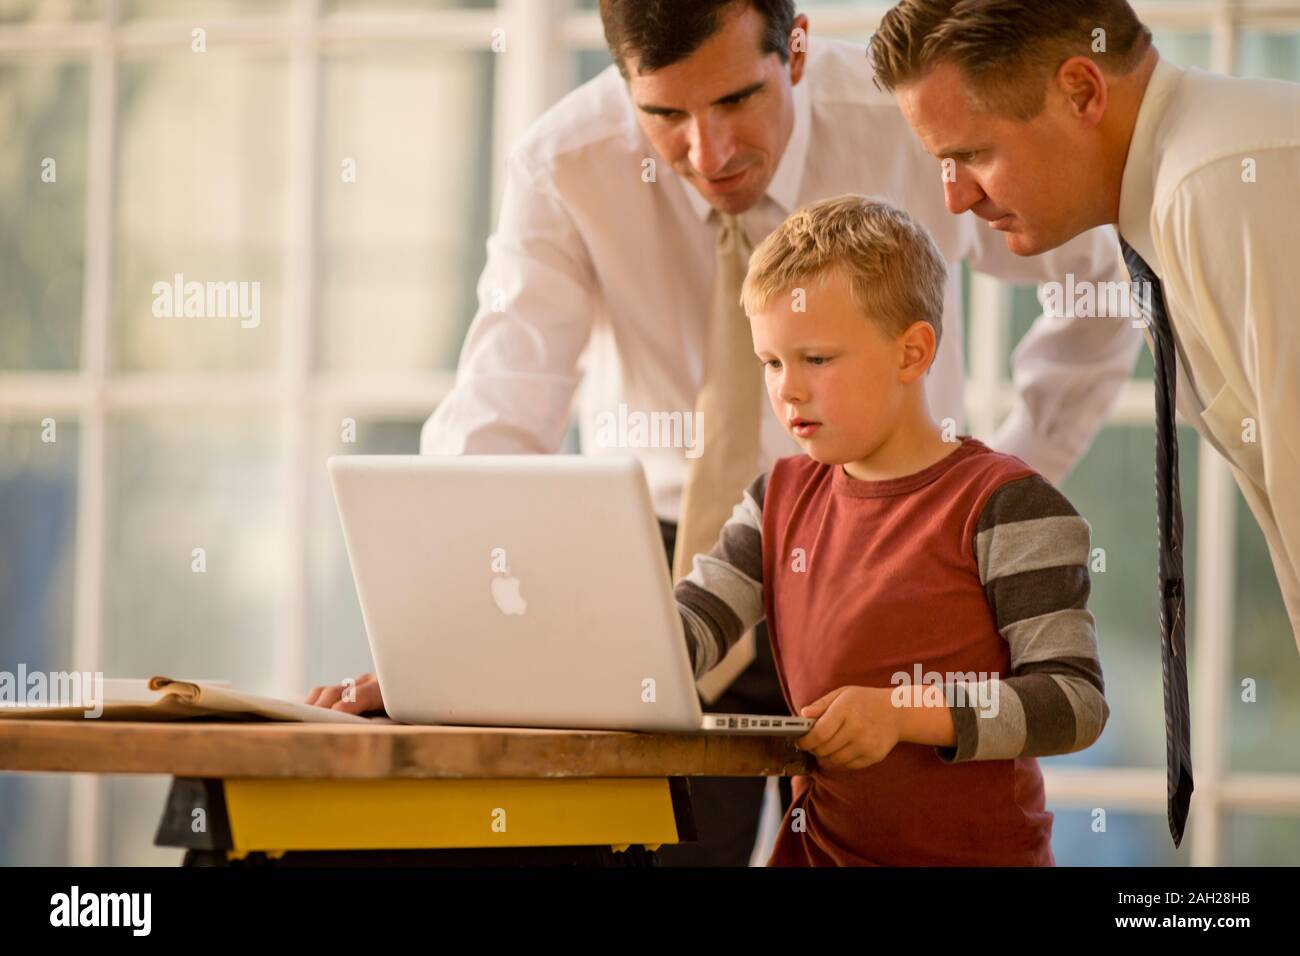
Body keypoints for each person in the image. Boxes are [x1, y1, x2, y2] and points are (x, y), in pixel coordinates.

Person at [307, 0, 1140, 866]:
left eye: (738, 100)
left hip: (911, 568)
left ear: (800, 49)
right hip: (692, 553)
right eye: (664, 115)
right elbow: (497, 417)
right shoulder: (567, 161)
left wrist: (984, 497)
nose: (708, 155)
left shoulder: (913, 120)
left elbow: (1096, 274)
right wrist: (449, 665)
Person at [869, 0, 1300, 849]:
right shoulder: (1175, 192)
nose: (955, 198)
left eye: (972, 154)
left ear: (1080, 89)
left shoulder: (1220, 185)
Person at [674, 193, 1108, 864]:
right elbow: (692, 627)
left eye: (816, 359)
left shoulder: (1007, 505)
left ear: (913, 353)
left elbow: (1072, 703)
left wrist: (901, 714)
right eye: (772, 362)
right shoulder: (777, 500)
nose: (788, 389)